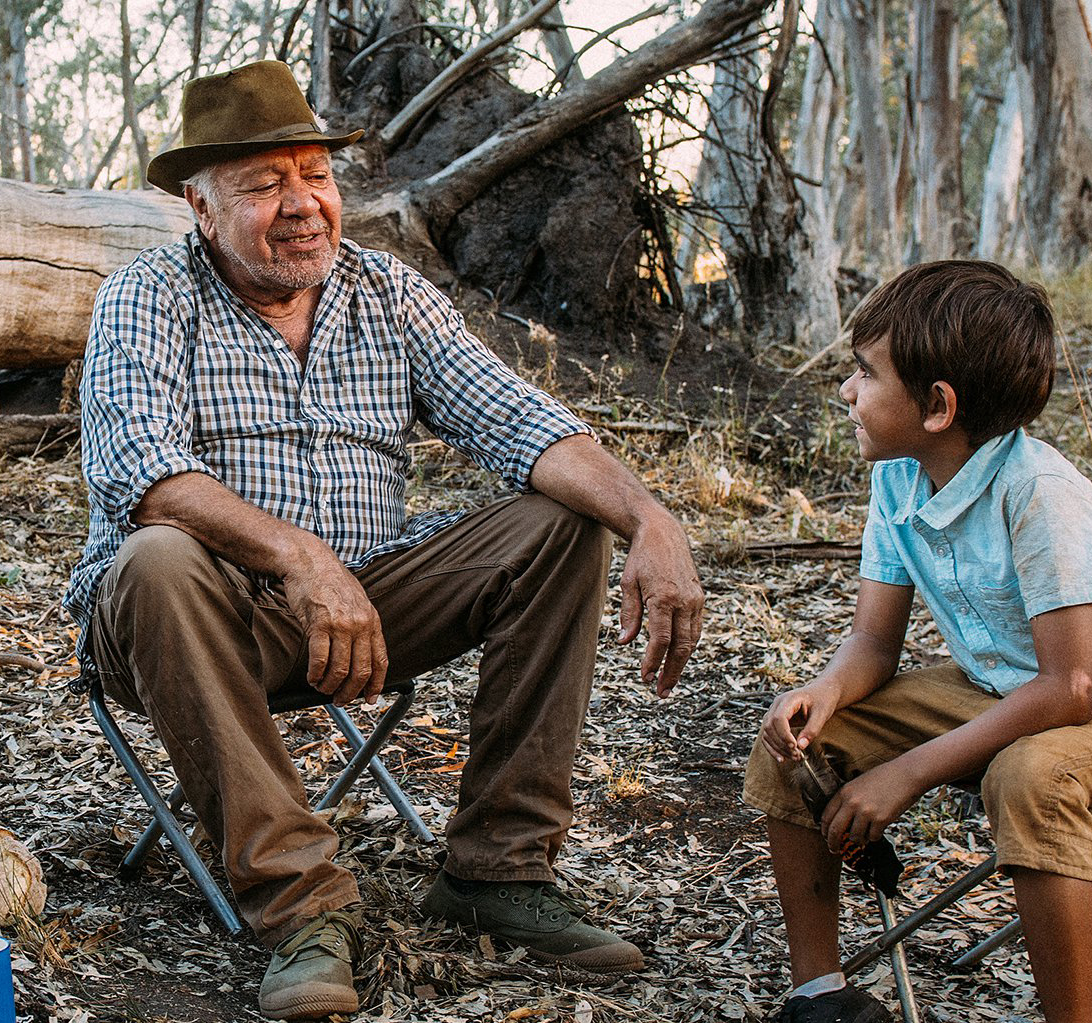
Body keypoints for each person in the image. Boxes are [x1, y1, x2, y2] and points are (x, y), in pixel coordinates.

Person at [66, 60, 704, 1020]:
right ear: (199, 208)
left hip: (360, 609)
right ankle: (301, 907)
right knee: (157, 552)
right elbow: (143, 479)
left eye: (313, 175)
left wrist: (649, 517)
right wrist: (298, 556)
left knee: (564, 521)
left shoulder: (384, 293)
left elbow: (520, 420)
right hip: (194, 618)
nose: (301, 205)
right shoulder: (145, 299)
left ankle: (498, 866)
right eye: (263, 184)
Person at [743, 261, 1092, 1023]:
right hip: (1000, 689)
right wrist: (820, 691)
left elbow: (1071, 687)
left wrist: (907, 773)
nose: (847, 391)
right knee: (795, 738)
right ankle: (818, 995)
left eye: (863, 373)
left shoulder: (1038, 491)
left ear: (936, 407)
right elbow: (871, 643)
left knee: (1030, 777)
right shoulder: (896, 478)